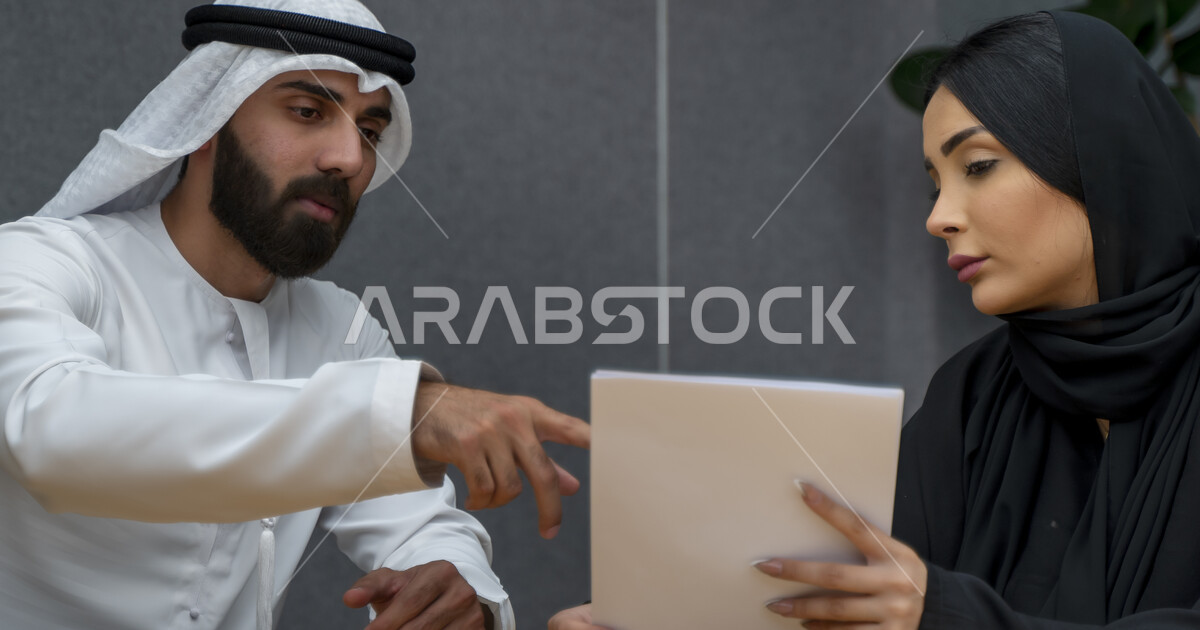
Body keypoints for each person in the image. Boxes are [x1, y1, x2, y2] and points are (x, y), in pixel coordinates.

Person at [550, 10, 1200, 629]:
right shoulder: (976, 394)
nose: (939, 217)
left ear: (1095, 154)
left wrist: (944, 618)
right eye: (936, 184)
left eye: (977, 167)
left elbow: (922, 607)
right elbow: (846, 588)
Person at [0, 1, 592, 629]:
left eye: (369, 130)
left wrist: (453, 585)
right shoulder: (39, 262)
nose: (349, 159)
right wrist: (401, 413)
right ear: (208, 118)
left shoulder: (343, 330)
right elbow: (48, 430)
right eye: (308, 112)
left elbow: (418, 522)